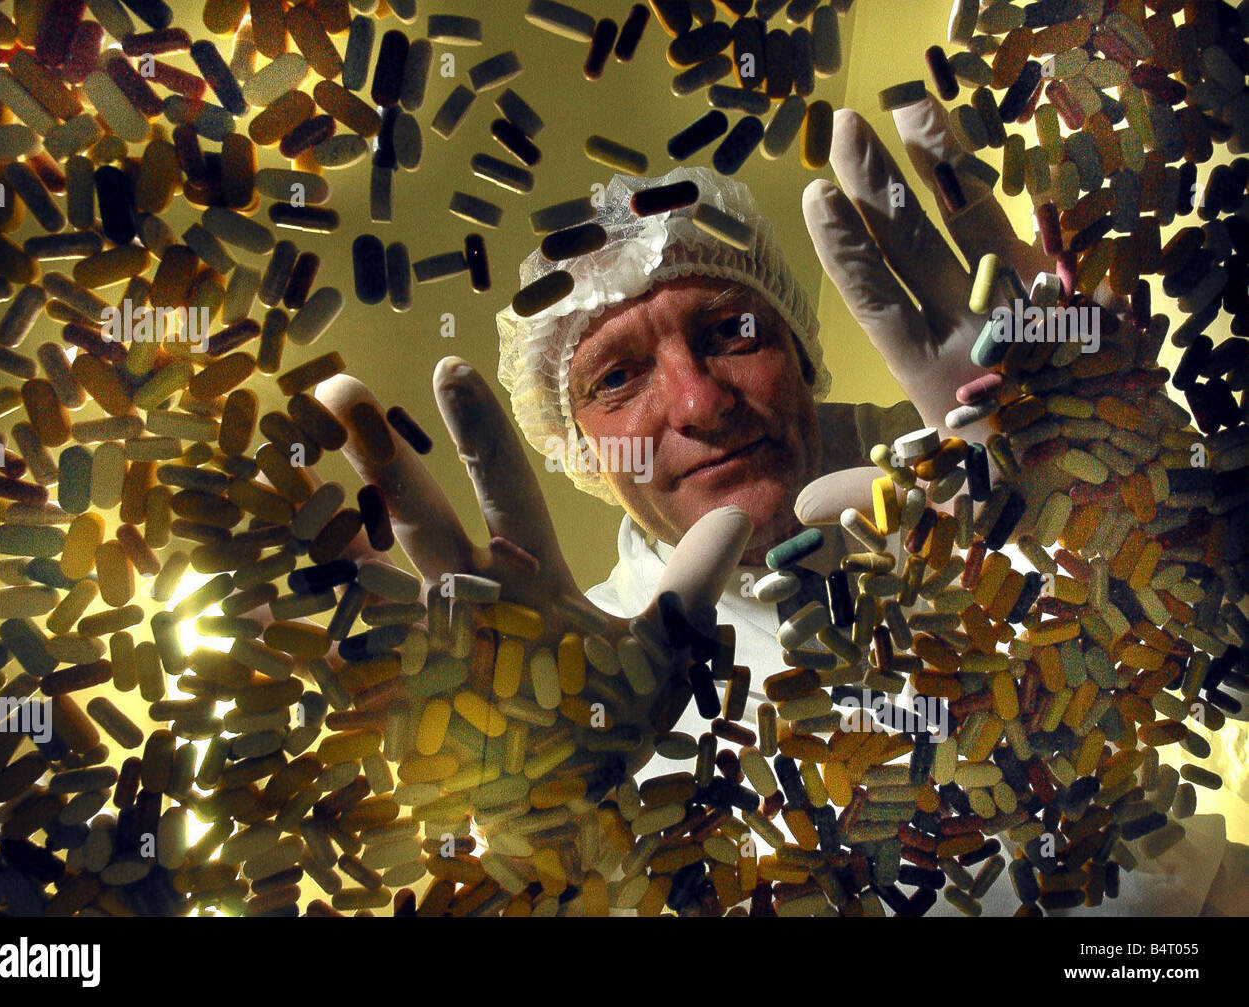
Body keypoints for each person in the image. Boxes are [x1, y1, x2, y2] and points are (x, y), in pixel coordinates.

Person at [322, 96, 1247, 916]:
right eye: (618, 377)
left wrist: (1134, 486)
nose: (698, 402)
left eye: (732, 330)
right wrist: (547, 830)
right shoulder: (566, 671)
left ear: (802, 352)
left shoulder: (1013, 460)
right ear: (581, 454)